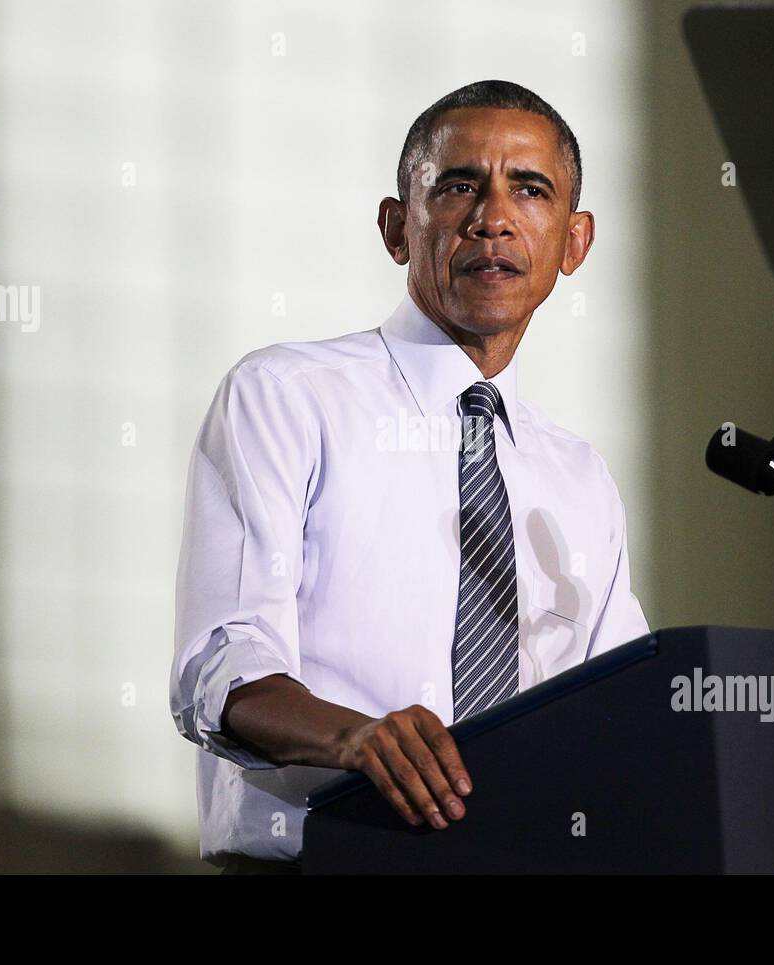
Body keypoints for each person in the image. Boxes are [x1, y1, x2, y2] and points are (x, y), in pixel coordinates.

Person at [170, 79, 650, 873]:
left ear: (574, 242)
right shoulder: (287, 397)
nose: (492, 216)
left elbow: (623, 713)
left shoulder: (579, 477)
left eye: (529, 190)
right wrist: (354, 736)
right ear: (398, 228)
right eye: (459, 184)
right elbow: (225, 667)